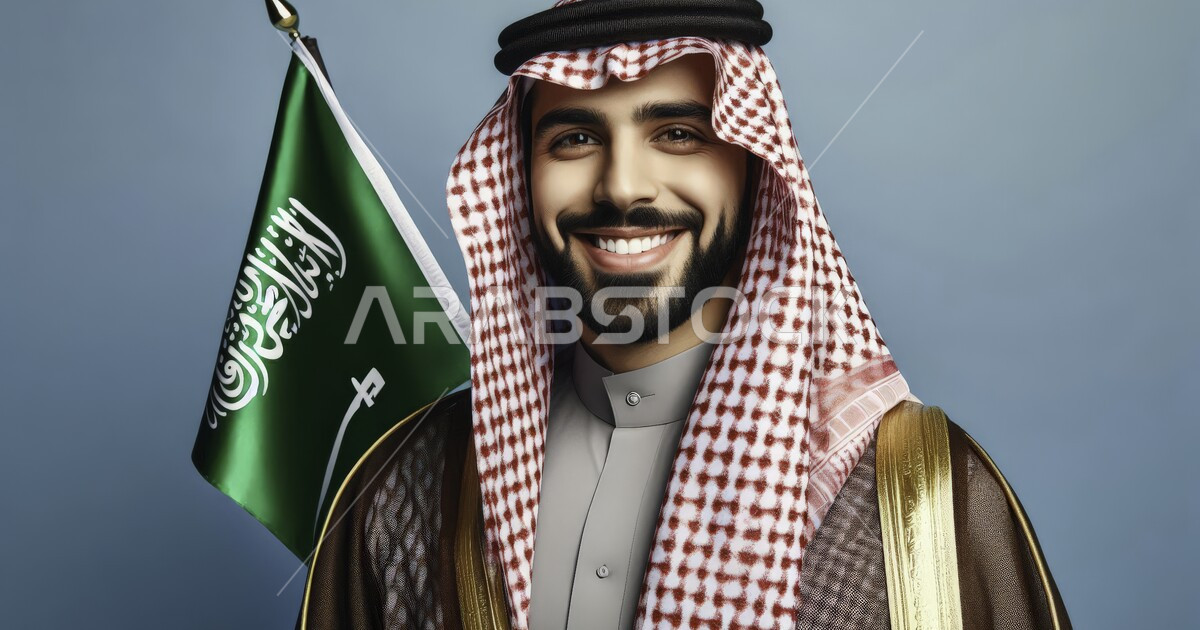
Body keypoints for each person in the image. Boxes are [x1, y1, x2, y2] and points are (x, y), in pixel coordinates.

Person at [297, 1, 1070, 628]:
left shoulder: (925, 494)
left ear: (754, 166)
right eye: (573, 138)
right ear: (517, 177)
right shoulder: (401, 484)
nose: (622, 187)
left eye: (677, 134)